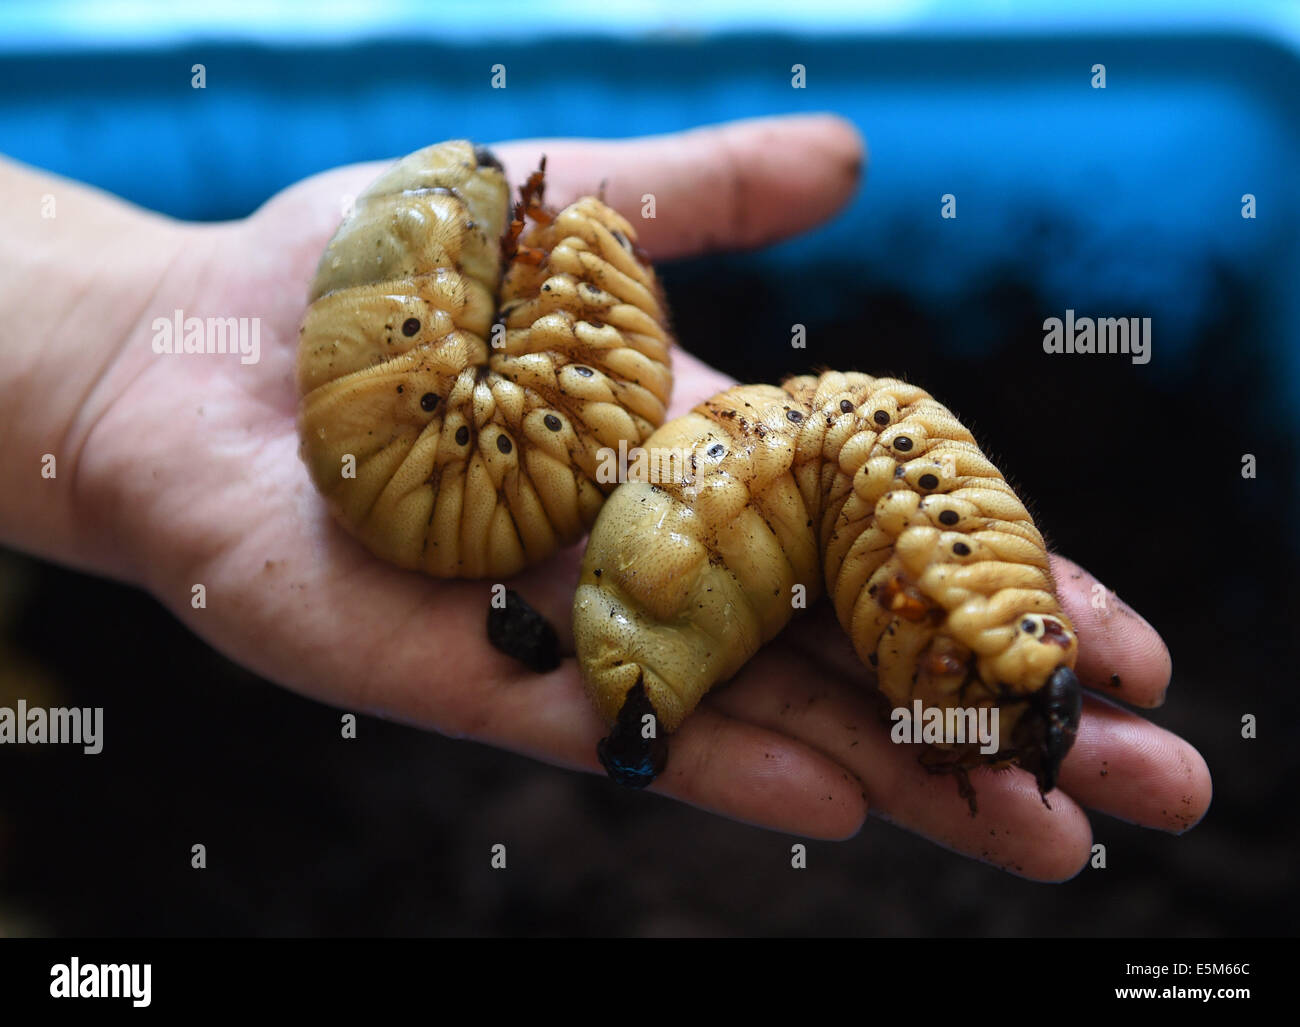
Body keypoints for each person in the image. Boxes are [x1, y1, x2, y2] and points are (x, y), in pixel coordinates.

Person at [0, 114, 1210, 881]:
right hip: (541, 477)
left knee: (823, 479)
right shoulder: (567, 436)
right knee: (847, 472)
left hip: (555, 483)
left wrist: (99, 343)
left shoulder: (556, 423)